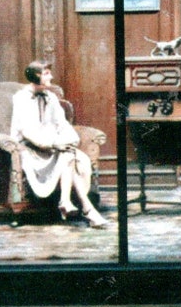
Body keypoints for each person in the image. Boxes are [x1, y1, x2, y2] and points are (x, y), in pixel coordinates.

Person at [11, 61, 109, 228]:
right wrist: (55, 144)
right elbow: (26, 131)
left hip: (54, 148)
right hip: (30, 149)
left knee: (69, 152)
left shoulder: (51, 97)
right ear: (36, 76)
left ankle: (69, 202)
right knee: (68, 154)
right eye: (47, 73)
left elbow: (62, 124)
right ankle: (85, 209)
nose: (51, 76)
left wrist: (68, 141)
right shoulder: (20, 98)